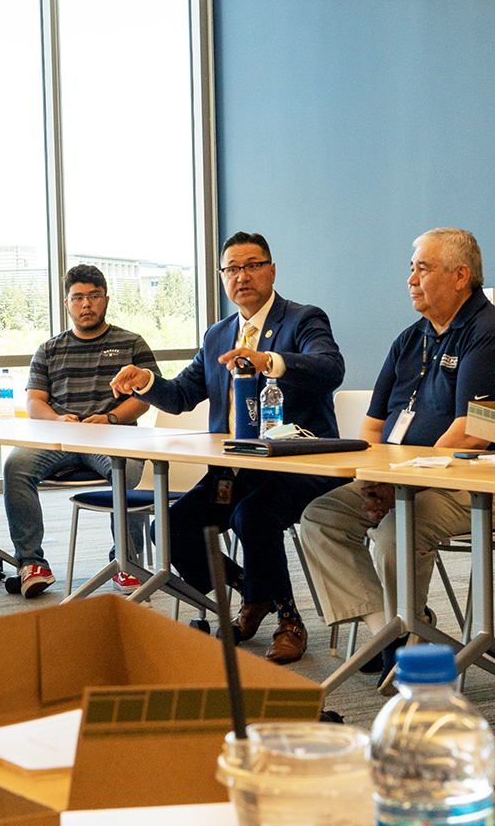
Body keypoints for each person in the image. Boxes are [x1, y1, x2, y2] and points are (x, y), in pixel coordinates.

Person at [299, 228, 495, 683]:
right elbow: (373, 426)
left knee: (399, 527)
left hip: (494, 484)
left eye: (423, 268)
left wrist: (399, 485)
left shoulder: (492, 335)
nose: (411, 279)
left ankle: (406, 638)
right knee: (321, 517)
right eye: (411, 269)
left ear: (460, 276)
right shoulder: (410, 339)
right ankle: (393, 636)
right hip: (409, 482)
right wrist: (373, 480)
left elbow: (470, 435)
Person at [111, 232, 344, 664]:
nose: (242, 276)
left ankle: (289, 621)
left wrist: (269, 361)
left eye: (252, 265)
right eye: (232, 269)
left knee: (253, 515)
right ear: (222, 278)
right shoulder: (218, 335)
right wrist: (146, 383)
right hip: (234, 470)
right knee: (173, 525)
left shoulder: (303, 319)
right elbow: (182, 395)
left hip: (297, 468)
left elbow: (331, 368)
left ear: (271, 271)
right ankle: (254, 594)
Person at [3, 264, 160, 598]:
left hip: (112, 437)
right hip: (60, 437)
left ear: (106, 300)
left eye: (94, 296)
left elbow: (146, 398)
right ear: (67, 304)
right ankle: (32, 563)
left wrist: (112, 419)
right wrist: (57, 421)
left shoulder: (131, 343)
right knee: (15, 466)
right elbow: (34, 402)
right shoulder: (49, 349)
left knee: (130, 473)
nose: (86, 304)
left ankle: (126, 562)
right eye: (78, 298)